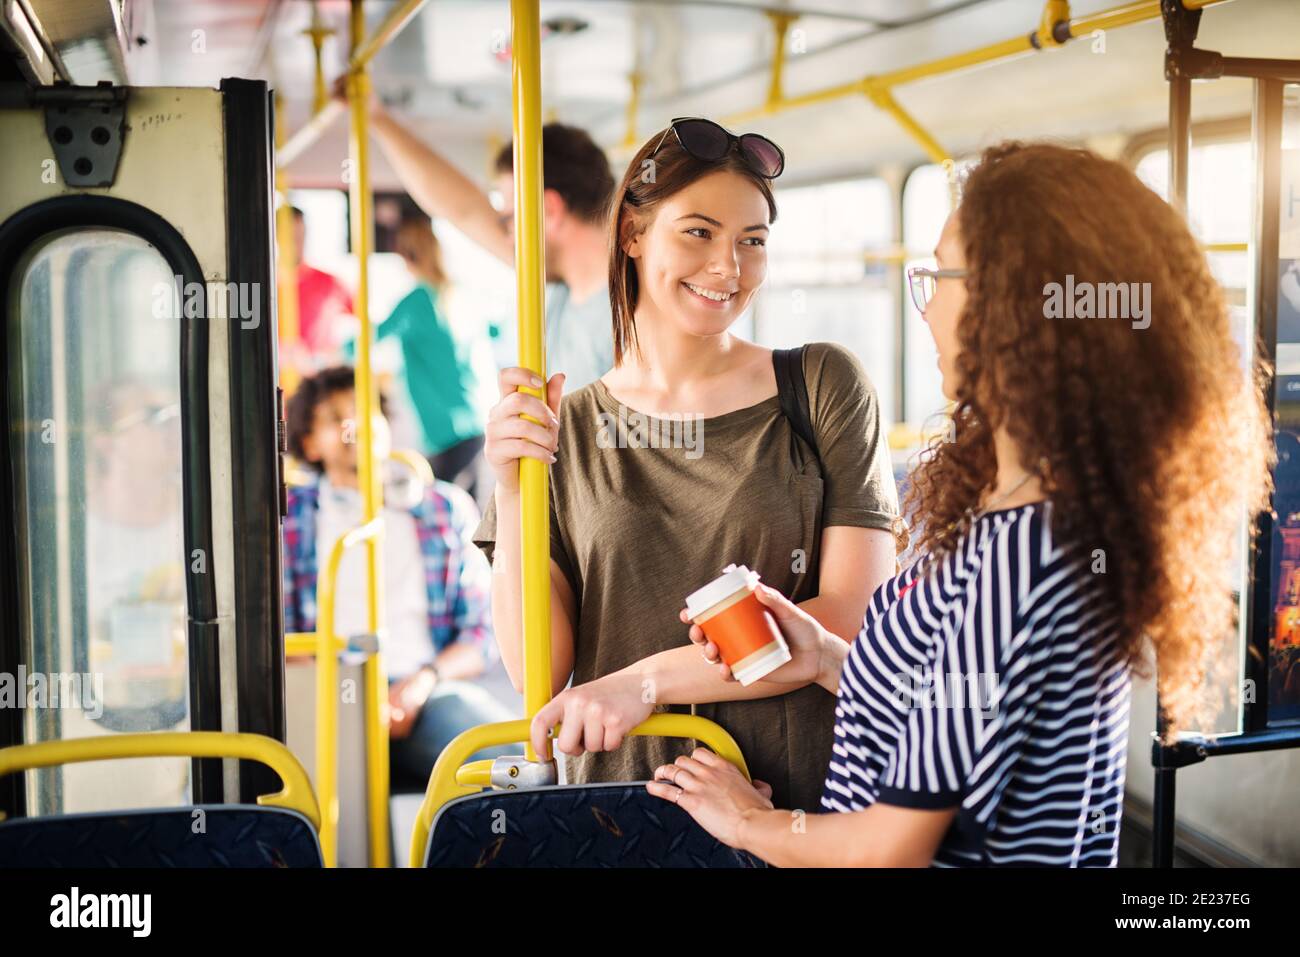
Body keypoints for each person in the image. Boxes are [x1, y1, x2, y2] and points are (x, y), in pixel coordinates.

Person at [588, 141, 1272, 867]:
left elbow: (893, 847)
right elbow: (959, 710)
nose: (928, 304)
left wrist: (752, 820)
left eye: (943, 274)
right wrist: (824, 655)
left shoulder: (1013, 565)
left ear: (1012, 309)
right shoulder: (1047, 524)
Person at [476, 118, 902, 811]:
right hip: (621, 805)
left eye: (752, 241)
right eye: (699, 232)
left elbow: (845, 621)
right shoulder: (565, 430)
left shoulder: (822, 386)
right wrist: (511, 487)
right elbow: (536, 672)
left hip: (797, 805)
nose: (728, 268)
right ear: (632, 235)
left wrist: (645, 683)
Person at [282, 366, 515, 786]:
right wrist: (338, 693)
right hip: (324, 691)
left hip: (423, 690)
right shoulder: (290, 517)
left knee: (512, 763)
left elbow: (480, 633)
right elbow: (274, 634)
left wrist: (423, 682)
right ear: (309, 444)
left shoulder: (444, 509)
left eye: (366, 410)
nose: (357, 425)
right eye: (337, 418)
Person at [360, 98, 615, 391]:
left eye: (508, 219)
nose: (506, 235)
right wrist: (376, 116)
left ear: (550, 210)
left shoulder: (629, 319)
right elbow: (464, 210)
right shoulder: (561, 287)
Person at [376, 214, 492, 506]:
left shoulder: (415, 302)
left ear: (405, 255)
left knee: (441, 511)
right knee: (467, 512)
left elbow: (365, 342)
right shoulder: (459, 296)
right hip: (475, 421)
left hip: (442, 429)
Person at [290, 206, 355, 362]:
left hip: (319, 380)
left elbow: (366, 324)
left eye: (301, 235)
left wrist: (339, 352)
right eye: (291, 236)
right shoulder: (262, 288)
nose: (297, 243)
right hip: (273, 380)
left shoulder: (331, 284)